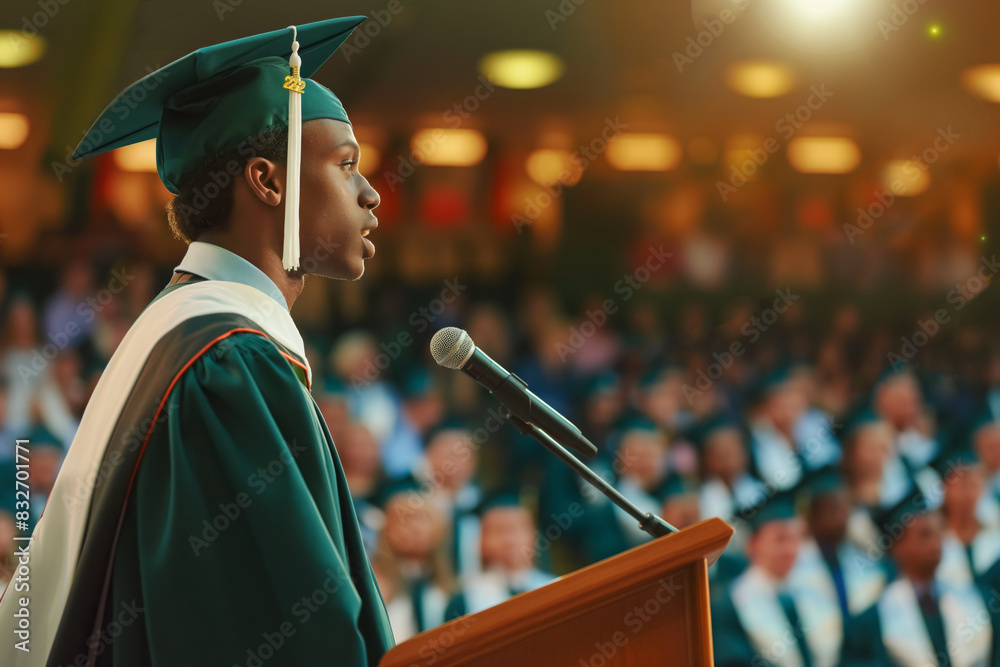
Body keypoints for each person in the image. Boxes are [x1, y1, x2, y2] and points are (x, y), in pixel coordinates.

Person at [0, 18, 394, 666]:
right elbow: (288, 629)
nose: (371, 193)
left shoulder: (179, 331)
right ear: (267, 181)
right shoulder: (226, 362)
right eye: (346, 164)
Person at [842, 490, 995, 667]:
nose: (936, 543)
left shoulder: (976, 599)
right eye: (925, 535)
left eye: (939, 533)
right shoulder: (872, 622)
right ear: (897, 547)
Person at [711, 490, 843, 667]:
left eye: (794, 539)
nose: (789, 549)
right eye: (780, 539)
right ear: (753, 545)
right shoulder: (729, 603)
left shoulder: (815, 586)